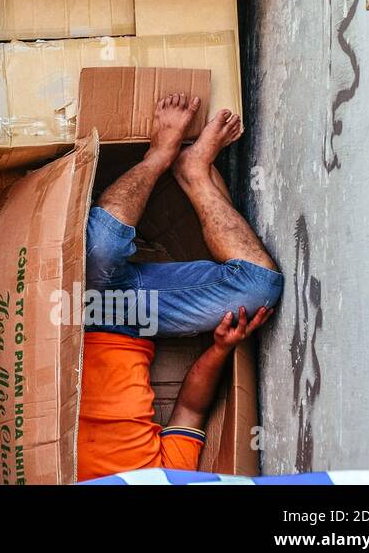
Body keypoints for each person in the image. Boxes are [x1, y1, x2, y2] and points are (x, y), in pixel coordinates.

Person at [77, 94, 283, 481]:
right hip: (130, 319)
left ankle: (158, 155)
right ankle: (193, 171)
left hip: (62, 320)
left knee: (101, 246)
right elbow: (189, 410)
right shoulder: (167, 481)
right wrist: (222, 348)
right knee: (258, 290)